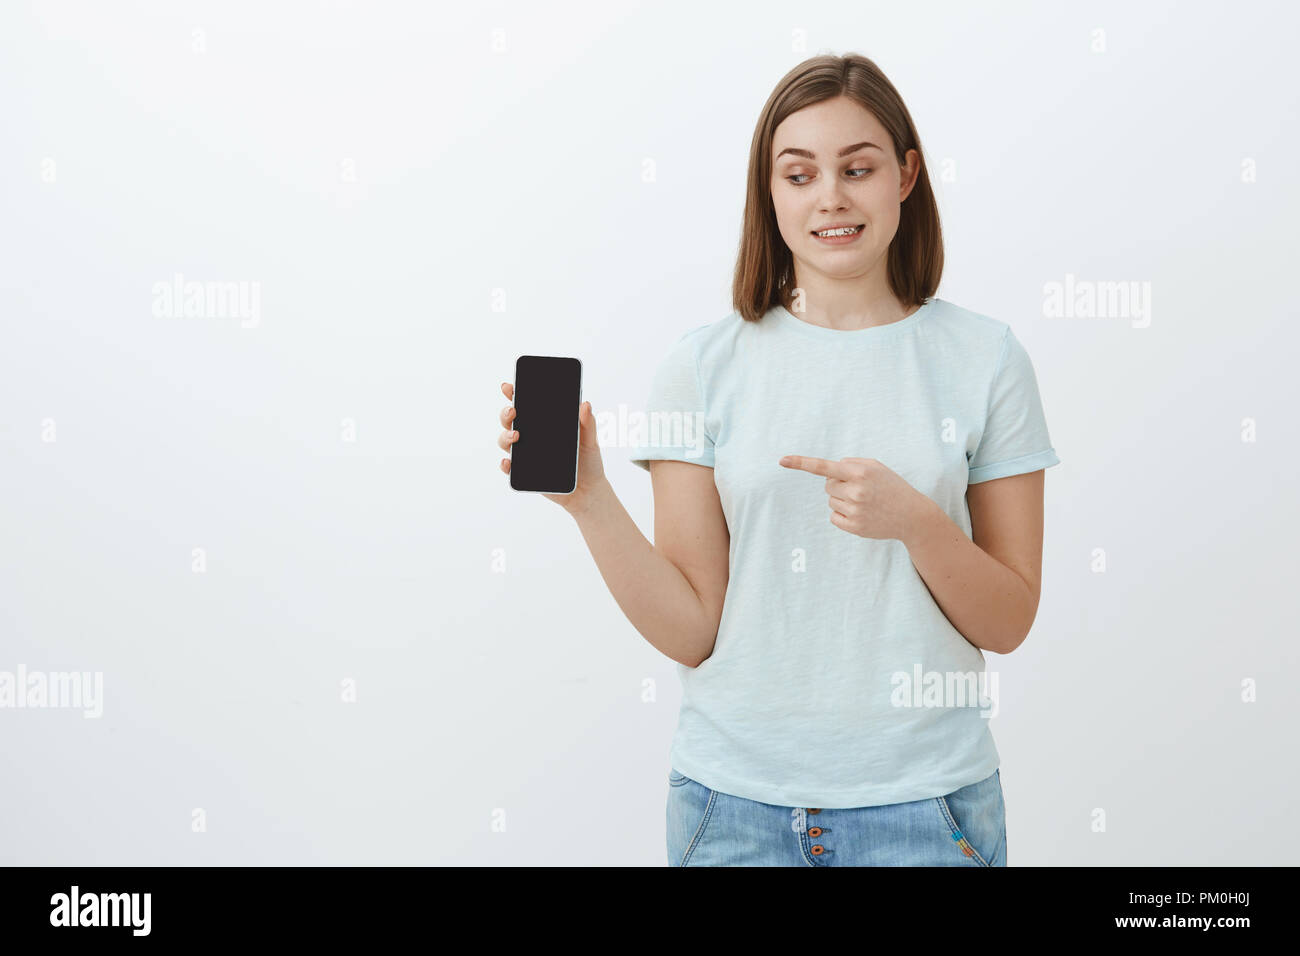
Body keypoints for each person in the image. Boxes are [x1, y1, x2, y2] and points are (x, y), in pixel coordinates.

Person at [495, 52, 1059, 866]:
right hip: (731, 814)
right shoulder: (701, 366)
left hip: (928, 810)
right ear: (770, 192)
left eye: (857, 168)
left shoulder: (986, 360)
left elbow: (1009, 621)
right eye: (799, 175)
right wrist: (590, 499)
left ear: (905, 175)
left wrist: (918, 525)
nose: (830, 196)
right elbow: (693, 630)